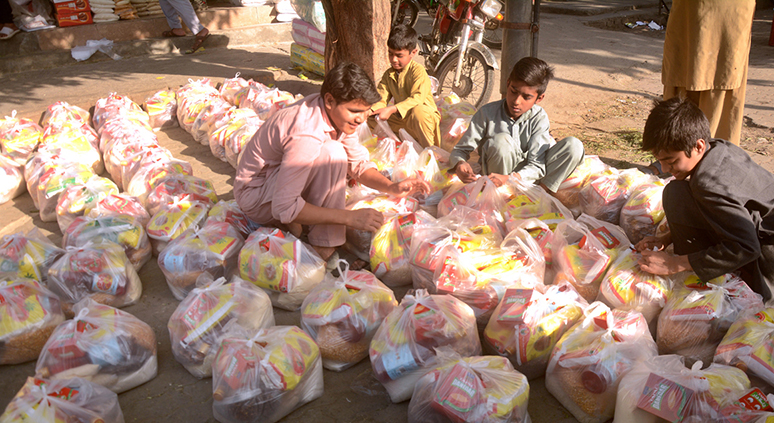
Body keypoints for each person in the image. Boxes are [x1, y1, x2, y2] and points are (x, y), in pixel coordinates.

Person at [234, 61, 430, 261]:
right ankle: (320, 248)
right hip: (257, 196)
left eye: (366, 111)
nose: (362, 119)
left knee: (335, 153)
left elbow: (358, 165)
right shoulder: (306, 132)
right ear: (329, 100)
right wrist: (349, 218)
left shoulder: (336, 117)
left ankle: (308, 232)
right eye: (354, 111)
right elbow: (283, 206)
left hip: (278, 184)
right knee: (332, 154)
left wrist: (392, 187)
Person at [636, 97, 774, 312]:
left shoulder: (709, 183)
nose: (666, 169)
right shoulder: (717, 147)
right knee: (675, 192)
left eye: (672, 161)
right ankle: (710, 269)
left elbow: (745, 247)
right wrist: (666, 239)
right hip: (757, 224)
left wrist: (674, 264)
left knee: (755, 317)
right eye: (661, 160)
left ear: (698, 145)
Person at [448, 56, 584, 192]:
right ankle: (501, 194)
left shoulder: (539, 118)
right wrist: (460, 163)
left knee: (574, 146)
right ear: (508, 84)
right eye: (514, 91)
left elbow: (537, 165)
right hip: (496, 178)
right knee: (501, 141)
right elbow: (460, 150)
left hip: (527, 177)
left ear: (539, 98)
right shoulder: (487, 113)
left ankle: (540, 194)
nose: (517, 101)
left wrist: (512, 178)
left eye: (526, 97)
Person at [660, 0, 756, 146]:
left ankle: (709, 157)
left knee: (721, 76)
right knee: (683, 71)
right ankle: (677, 155)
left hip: (726, 15)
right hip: (690, 12)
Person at [370, 24, 441, 148]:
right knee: (368, 117)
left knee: (418, 113)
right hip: (403, 120)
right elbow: (381, 97)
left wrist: (392, 109)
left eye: (399, 55)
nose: (393, 59)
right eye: (390, 54)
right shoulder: (389, 74)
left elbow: (417, 98)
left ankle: (430, 152)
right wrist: (370, 111)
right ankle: (401, 143)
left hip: (424, 119)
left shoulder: (418, 71)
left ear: (413, 52)